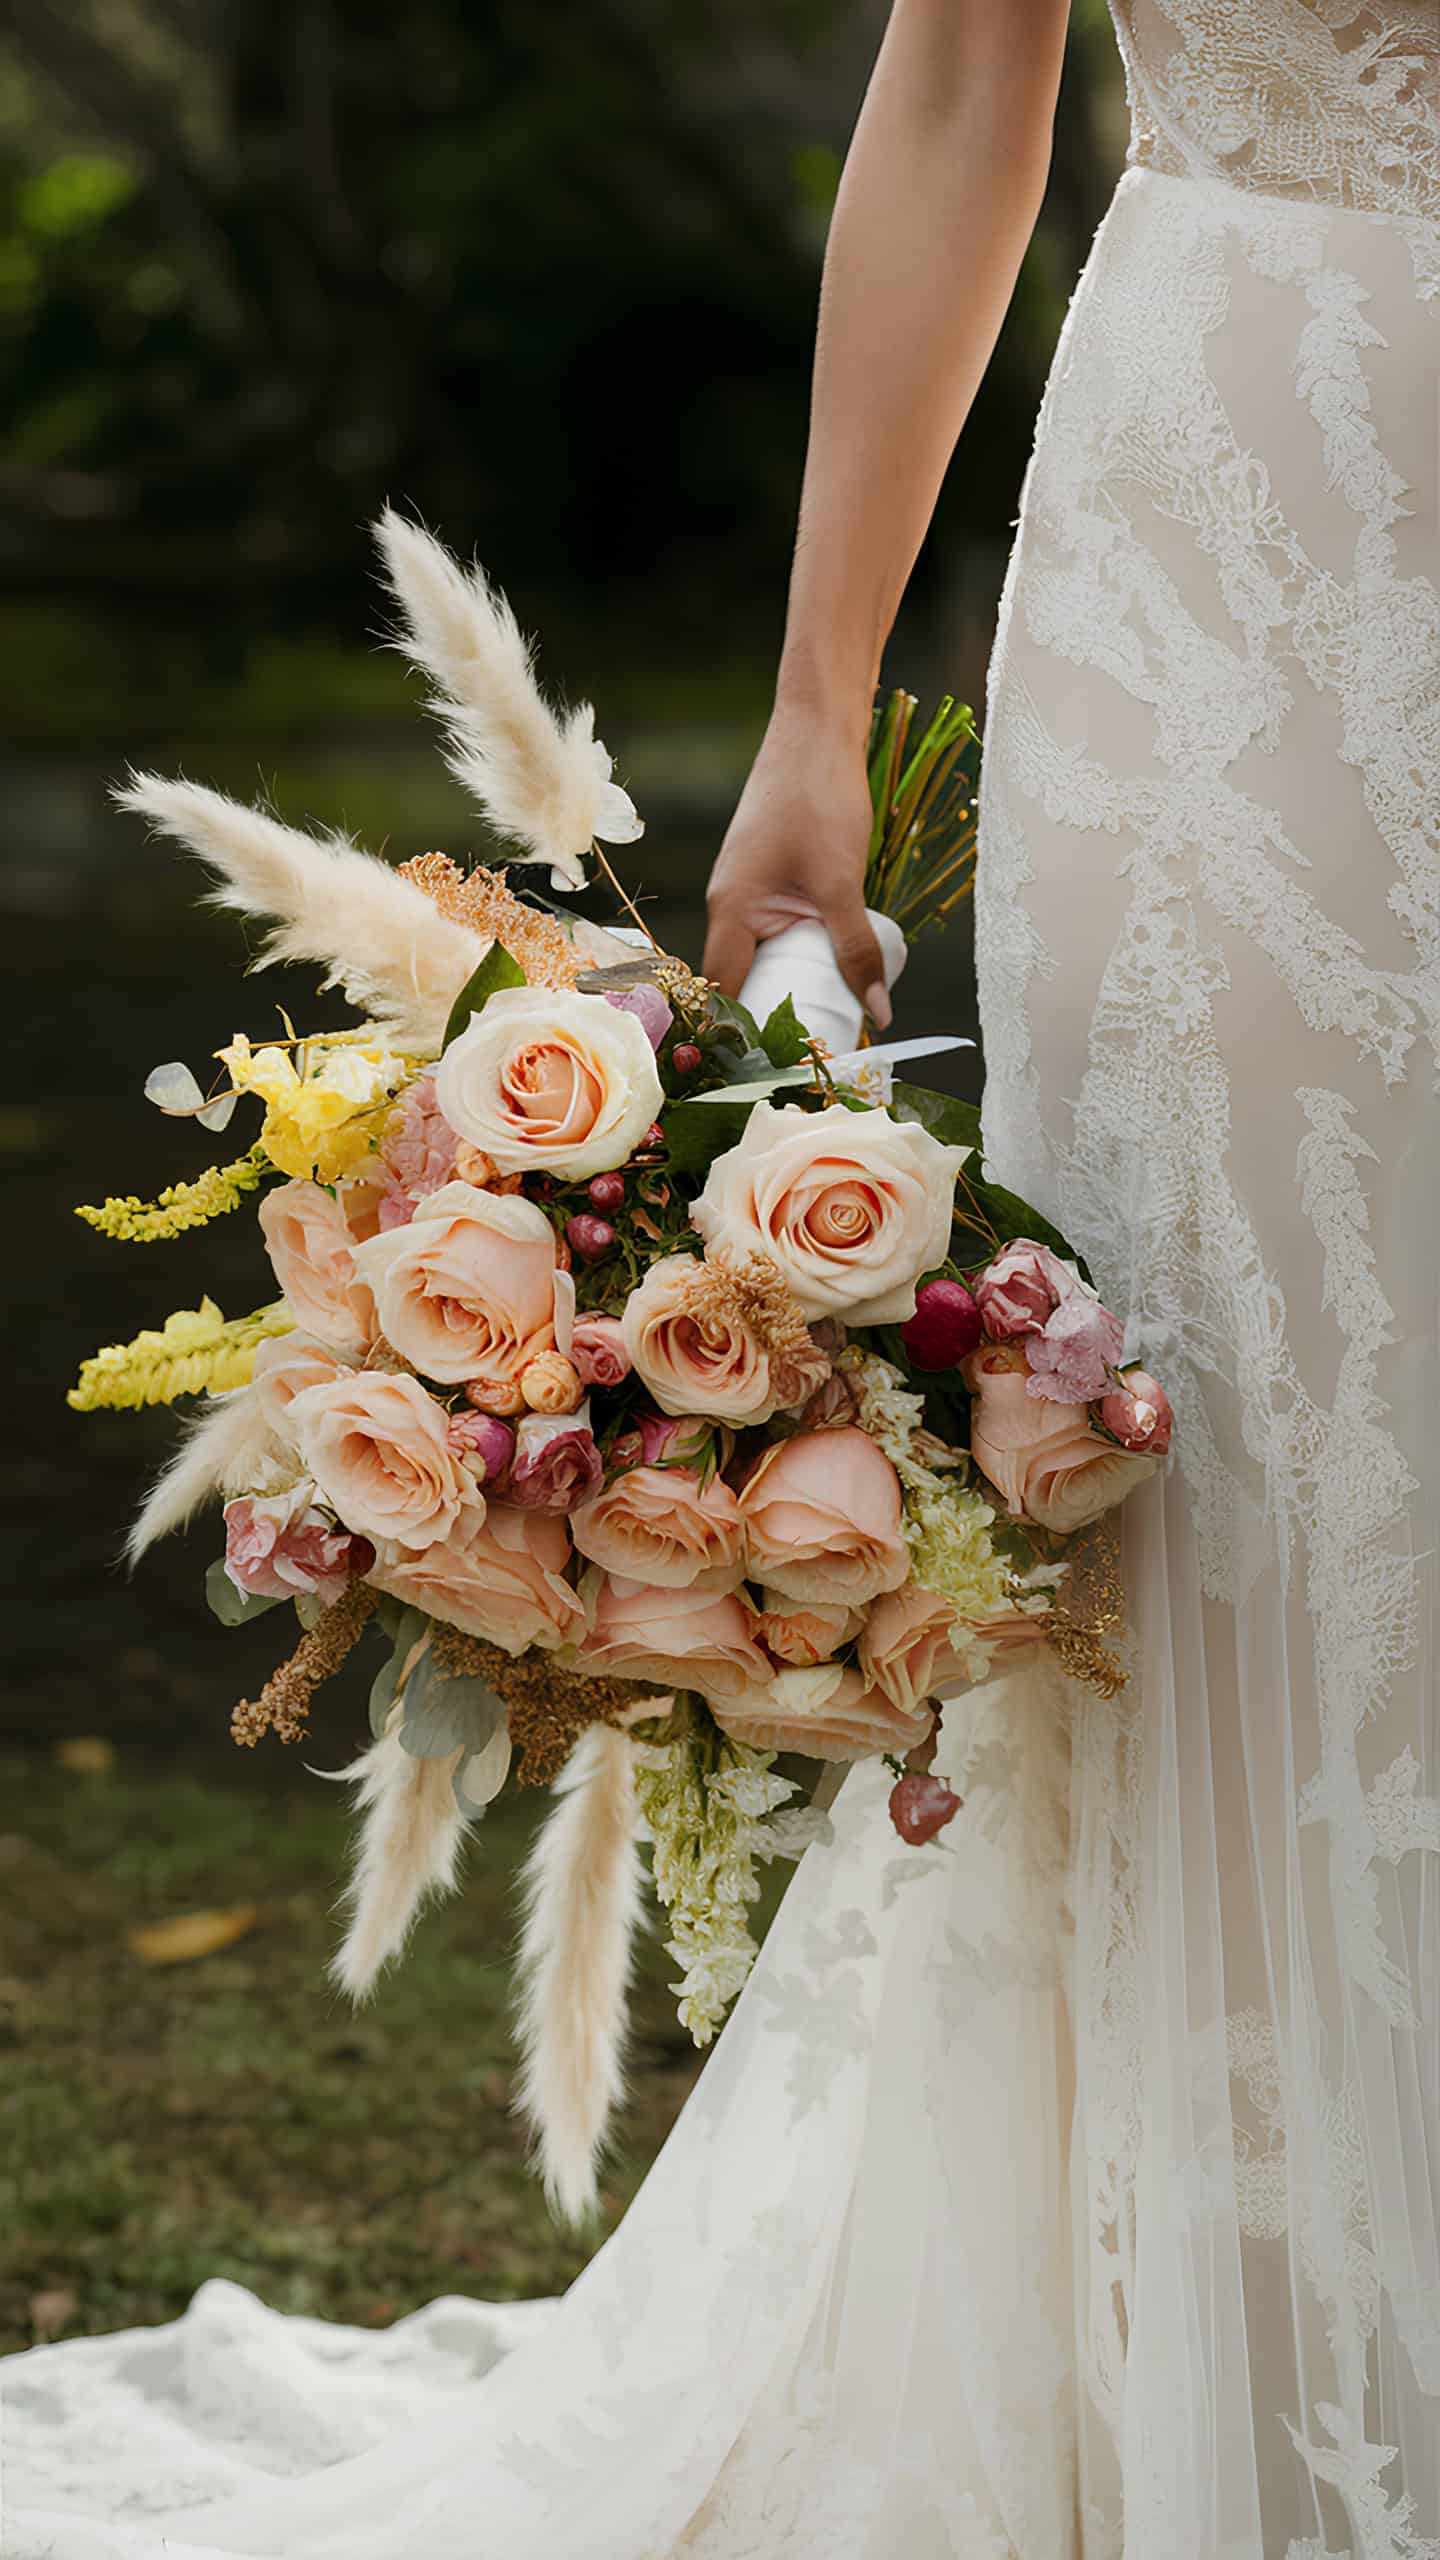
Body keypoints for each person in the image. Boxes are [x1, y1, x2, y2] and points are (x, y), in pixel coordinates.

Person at [7, 4, 1435, 2553]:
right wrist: (810, 705)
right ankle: (1246, 2348)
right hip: (1241, 552)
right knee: (1242, 1450)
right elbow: (967, 69)